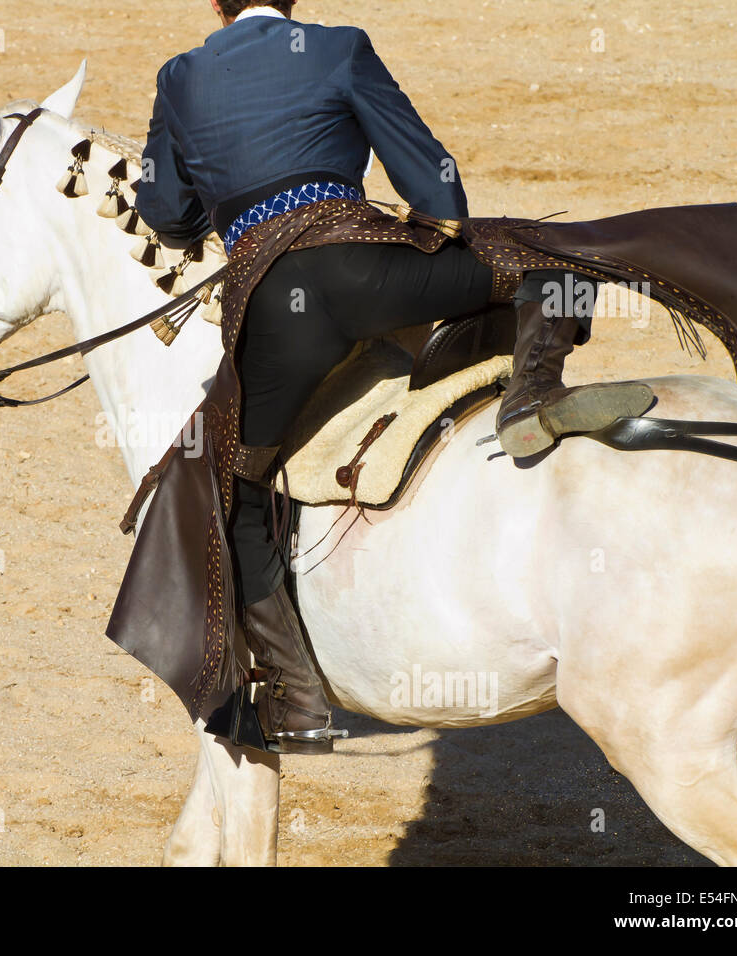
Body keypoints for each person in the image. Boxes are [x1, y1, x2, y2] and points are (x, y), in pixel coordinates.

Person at [134, 1, 652, 753]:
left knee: (238, 485)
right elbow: (433, 181)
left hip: (278, 314)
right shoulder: (341, 48)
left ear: (215, 5)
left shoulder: (180, 77)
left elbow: (167, 214)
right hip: (373, 272)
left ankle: (298, 698)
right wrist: (438, 237)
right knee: (553, 267)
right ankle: (531, 396)